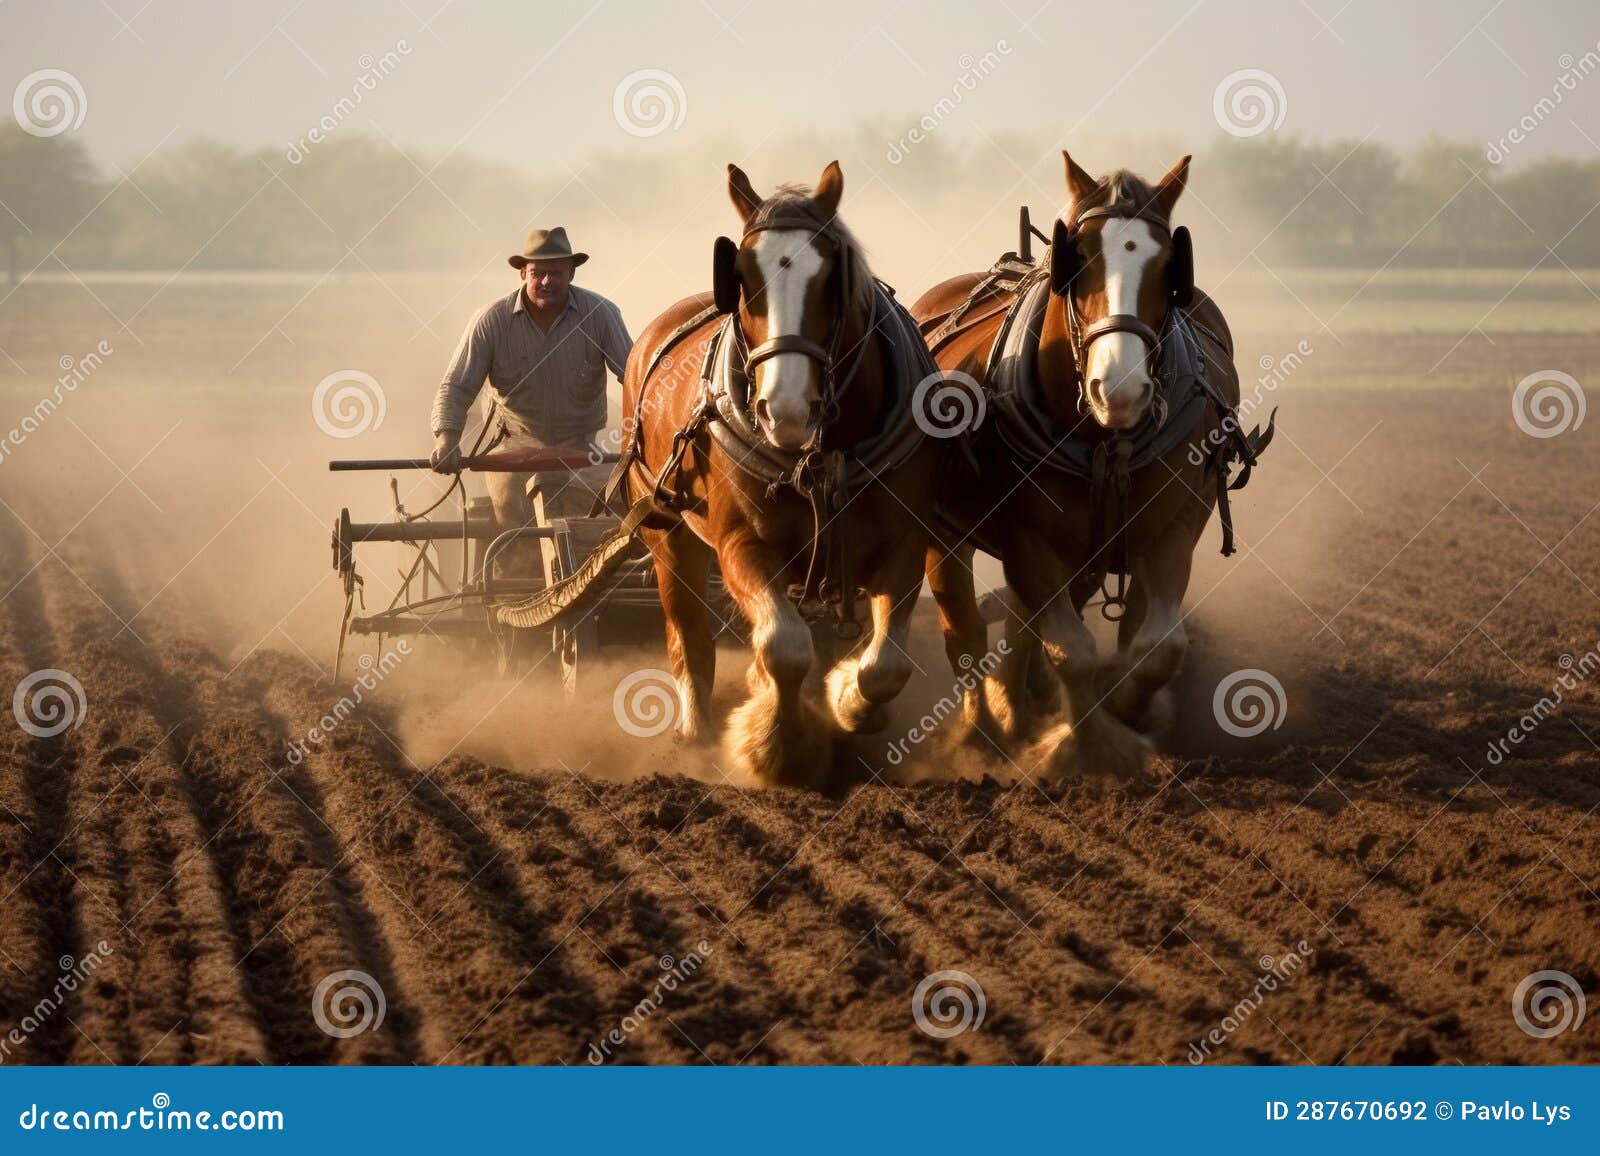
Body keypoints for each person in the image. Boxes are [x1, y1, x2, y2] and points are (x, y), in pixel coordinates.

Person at [429, 226, 633, 533]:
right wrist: (446, 439)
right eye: (538, 273)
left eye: (556, 272)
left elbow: (634, 377)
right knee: (513, 526)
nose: (547, 281)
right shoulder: (491, 320)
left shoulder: (601, 314)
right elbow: (457, 386)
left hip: (584, 446)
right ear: (523, 273)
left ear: (571, 273)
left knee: (609, 516)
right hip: (512, 446)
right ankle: (515, 573)